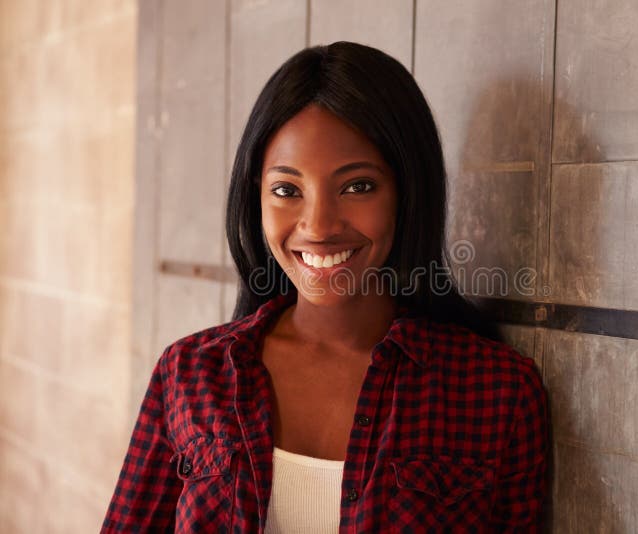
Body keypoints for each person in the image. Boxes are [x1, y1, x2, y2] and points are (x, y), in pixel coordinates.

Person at [102, 41, 549, 533]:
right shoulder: (189, 374)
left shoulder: (495, 391)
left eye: (357, 186)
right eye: (286, 190)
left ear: (408, 191)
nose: (317, 225)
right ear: (256, 198)